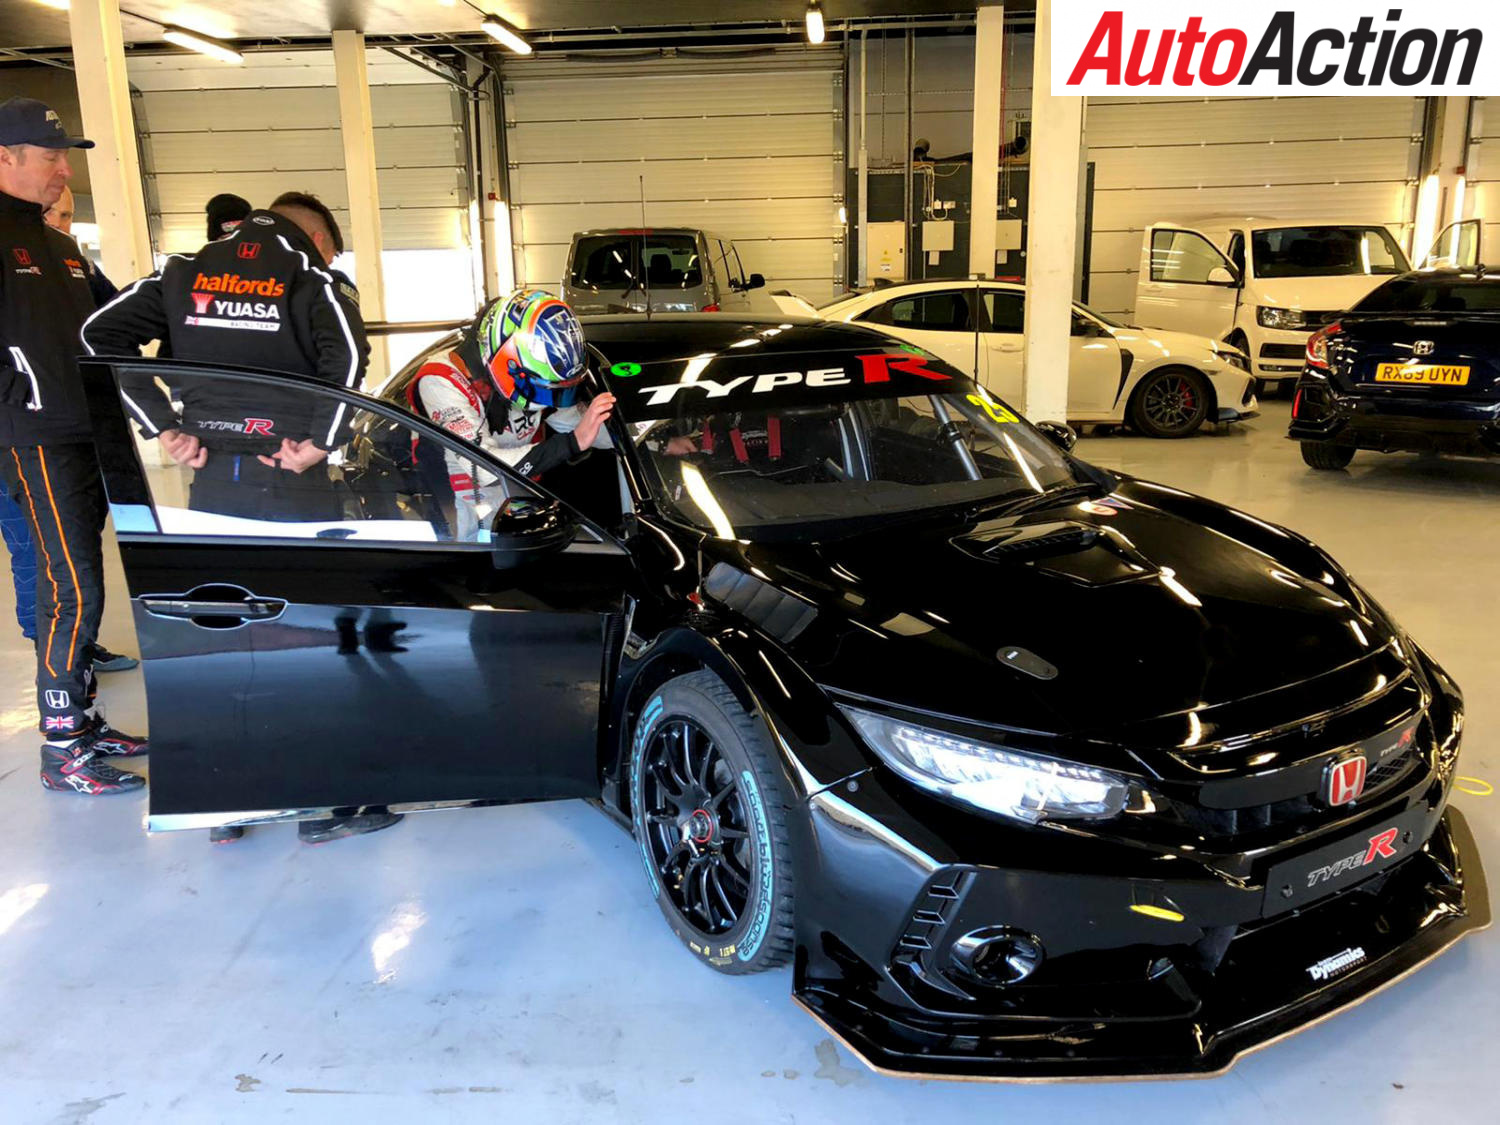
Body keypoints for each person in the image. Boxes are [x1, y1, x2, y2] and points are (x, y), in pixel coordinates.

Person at [82, 190, 399, 845]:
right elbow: (348, 352)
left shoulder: (184, 270)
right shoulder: (309, 275)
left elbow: (98, 334)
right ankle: (321, 806)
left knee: (224, 638)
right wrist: (322, 441)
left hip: (213, 482)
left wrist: (163, 427)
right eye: (333, 248)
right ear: (315, 235)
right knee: (307, 640)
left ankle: (224, 805)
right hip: (292, 482)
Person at [0, 97, 148, 796]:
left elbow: (108, 328)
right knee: (69, 587)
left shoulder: (59, 246)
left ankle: (84, 719)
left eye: (66, 155)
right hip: (36, 438)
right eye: (50, 154)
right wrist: (19, 406)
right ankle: (63, 747)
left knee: (86, 585)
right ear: (6, 157)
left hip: (88, 434)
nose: (65, 169)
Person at [408, 290, 616, 541]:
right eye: (538, 384)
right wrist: (572, 443)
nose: (543, 396)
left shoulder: (522, 374)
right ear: (507, 361)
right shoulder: (439, 381)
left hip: (514, 506)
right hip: (454, 523)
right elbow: (483, 467)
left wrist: (656, 439)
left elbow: (585, 427)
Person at [36, 183, 136, 673]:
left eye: (68, 215)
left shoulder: (76, 262)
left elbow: (118, 316)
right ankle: (58, 674)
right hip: (32, 438)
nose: (61, 224)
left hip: (85, 429)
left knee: (82, 557)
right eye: (52, 214)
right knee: (52, 568)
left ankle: (78, 651)